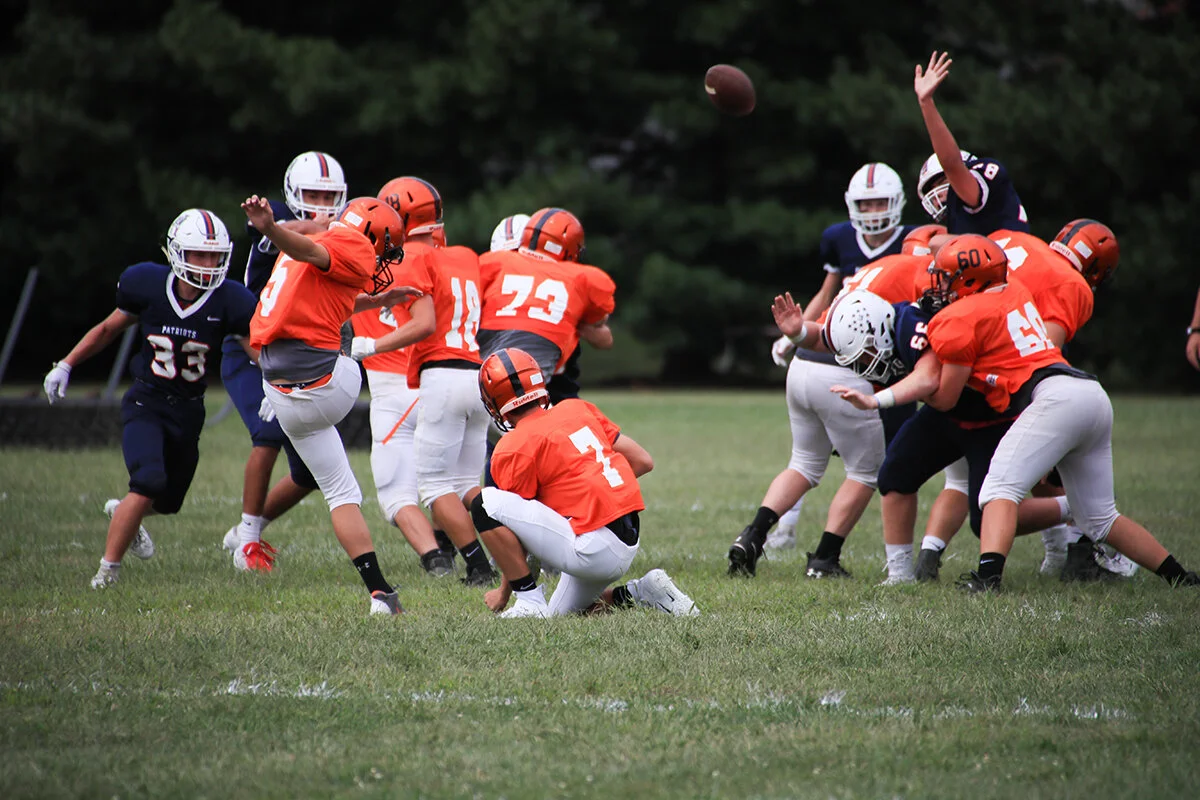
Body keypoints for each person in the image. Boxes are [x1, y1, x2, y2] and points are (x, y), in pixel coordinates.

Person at [833, 236, 1199, 592]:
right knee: (1101, 518)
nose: (938, 284)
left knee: (997, 492)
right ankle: (1182, 578)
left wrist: (880, 399)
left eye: (947, 277)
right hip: (1090, 394)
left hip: (1051, 398)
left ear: (971, 281)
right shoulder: (1015, 292)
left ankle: (988, 579)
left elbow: (943, 396)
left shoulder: (959, 317)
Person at [42, 209, 258, 589]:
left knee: (169, 502)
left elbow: (259, 353)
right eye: (199, 254)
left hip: (188, 410)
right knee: (147, 480)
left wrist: (282, 385)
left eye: (214, 256)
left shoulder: (231, 300)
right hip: (146, 401)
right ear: (176, 252)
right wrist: (66, 364)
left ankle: (126, 514)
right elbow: (107, 329)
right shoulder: (147, 284)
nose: (208, 264)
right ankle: (107, 572)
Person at [244, 193, 416, 615]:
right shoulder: (349, 244)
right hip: (328, 386)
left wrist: (378, 301)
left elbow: (324, 295)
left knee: (342, 490)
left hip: (279, 391)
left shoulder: (317, 249)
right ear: (373, 236)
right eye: (385, 249)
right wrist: (270, 227)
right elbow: (312, 251)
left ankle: (380, 594)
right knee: (352, 351)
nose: (382, 261)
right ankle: (346, 358)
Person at [472, 348, 698, 618]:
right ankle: (643, 591)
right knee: (558, 616)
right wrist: (590, 493)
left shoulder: (512, 446)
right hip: (626, 537)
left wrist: (505, 592)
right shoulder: (576, 408)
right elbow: (642, 461)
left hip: (592, 547)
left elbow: (518, 535)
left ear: (494, 403)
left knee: (483, 503)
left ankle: (529, 601)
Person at [351, 176, 498, 587]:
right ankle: (517, 547)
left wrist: (368, 345)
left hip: (436, 377)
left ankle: (477, 566)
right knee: (468, 485)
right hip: (476, 373)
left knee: (432, 488)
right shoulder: (464, 256)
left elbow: (423, 321)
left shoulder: (404, 258)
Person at [763, 163, 914, 552]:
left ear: (897, 202)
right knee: (824, 456)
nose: (873, 211)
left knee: (820, 456)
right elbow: (828, 292)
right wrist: (798, 333)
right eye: (865, 204)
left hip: (886, 356)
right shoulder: (839, 237)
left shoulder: (914, 240)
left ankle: (782, 531)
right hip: (842, 355)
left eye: (880, 202)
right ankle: (793, 534)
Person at [218, 151, 348, 571]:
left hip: (298, 356)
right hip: (250, 347)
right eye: (313, 195)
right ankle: (248, 544)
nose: (322, 205)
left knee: (310, 472)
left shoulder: (338, 233)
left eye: (329, 197)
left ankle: (248, 528)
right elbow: (281, 232)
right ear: (293, 193)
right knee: (268, 433)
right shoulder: (275, 221)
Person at [913, 51, 1029, 236]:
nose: (939, 194)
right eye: (933, 190)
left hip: (1012, 253)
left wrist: (926, 103)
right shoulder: (958, 222)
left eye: (944, 181)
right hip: (998, 250)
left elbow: (952, 164)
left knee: (933, 243)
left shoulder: (978, 182)